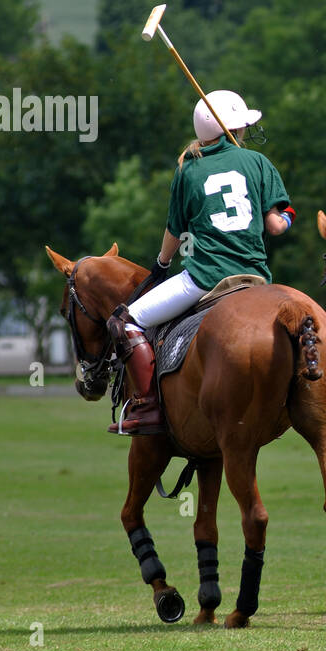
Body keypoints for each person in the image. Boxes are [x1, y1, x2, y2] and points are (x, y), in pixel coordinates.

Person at [105, 91, 294, 435]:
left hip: (206, 277)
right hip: (255, 276)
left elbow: (174, 231)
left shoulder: (188, 169)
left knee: (126, 322)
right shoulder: (258, 162)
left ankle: (147, 407)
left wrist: (162, 264)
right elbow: (276, 225)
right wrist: (289, 218)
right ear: (230, 130)